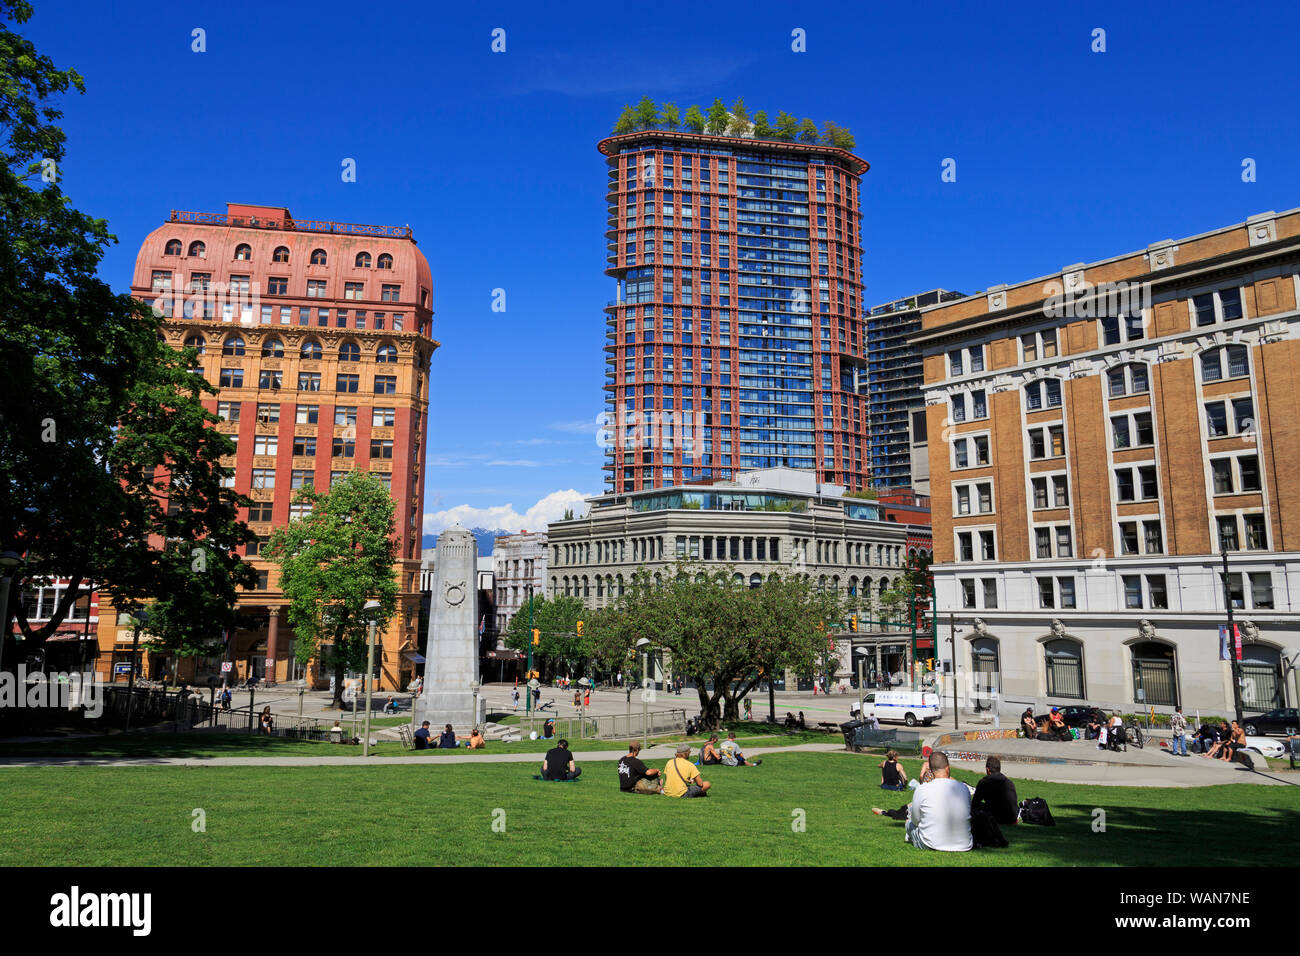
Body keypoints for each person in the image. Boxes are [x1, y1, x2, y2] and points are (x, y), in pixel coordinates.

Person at [873, 751, 972, 852]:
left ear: (931, 771)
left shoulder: (922, 789)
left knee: (909, 822)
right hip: (964, 844)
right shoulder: (963, 788)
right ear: (948, 767)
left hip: (930, 844)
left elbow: (916, 820)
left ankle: (910, 837)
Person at [970, 756, 1019, 826]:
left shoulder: (984, 782)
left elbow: (975, 803)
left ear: (988, 769)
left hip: (996, 818)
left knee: (973, 806)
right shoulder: (1009, 782)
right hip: (1011, 818)